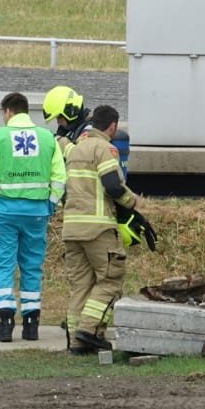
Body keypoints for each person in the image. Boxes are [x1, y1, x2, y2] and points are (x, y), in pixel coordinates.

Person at [0, 92, 67, 343]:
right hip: (37, 212)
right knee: (31, 266)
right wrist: (51, 203)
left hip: (3, 212)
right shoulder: (48, 138)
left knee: (3, 265)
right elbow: (60, 175)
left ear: (7, 112)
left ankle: (5, 323)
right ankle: (31, 324)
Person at [61, 105, 139, 355]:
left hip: (71, 229)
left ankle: (77, 342)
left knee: (81, 285)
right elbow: (113, 186)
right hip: (97, 228)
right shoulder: (105, 148)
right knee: (110, 279)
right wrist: (134, 203)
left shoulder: (75, 150)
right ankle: (89, 329)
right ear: (113, 126)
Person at [43, 85, 88, 153]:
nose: (58, 122)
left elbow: (81, 156)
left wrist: (61, 142)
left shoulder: (89, 131)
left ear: (70, 111)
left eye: (59, 117)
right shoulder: (67, 130)